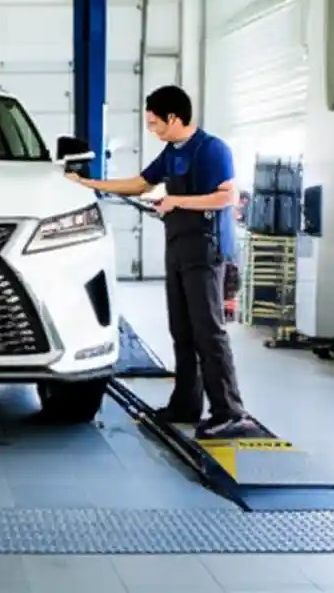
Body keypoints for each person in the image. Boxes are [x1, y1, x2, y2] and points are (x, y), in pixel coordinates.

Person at [67, 85, 257, 439]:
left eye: (155, 123)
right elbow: (140, 183)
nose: (151, 130)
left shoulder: (212, 148)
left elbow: (226, 196)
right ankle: (186, 403)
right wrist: (87, 183)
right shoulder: (172, 151)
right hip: (178, 247)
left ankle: (230, 411)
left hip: (205, 249)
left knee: (209, 331)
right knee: (182, 330)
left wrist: (177, 202)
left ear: (174, 117)